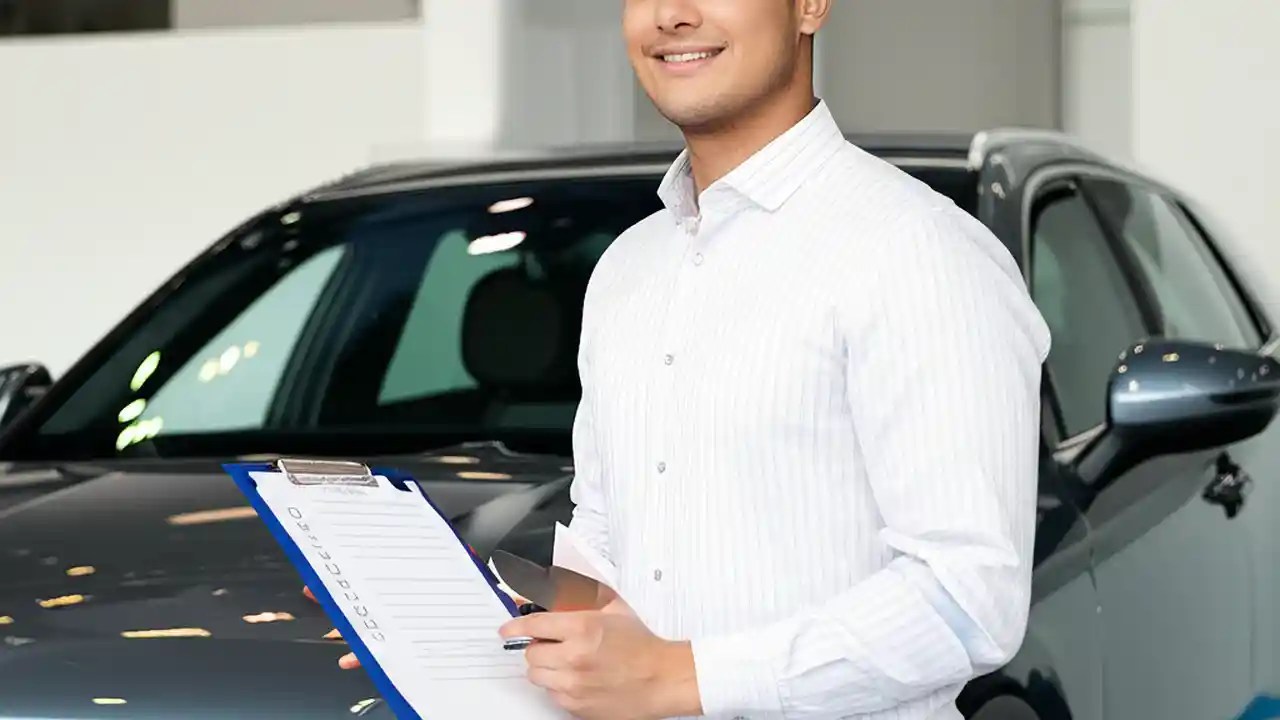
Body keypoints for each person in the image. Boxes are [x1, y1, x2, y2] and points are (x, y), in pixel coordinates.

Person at [349, 0, 1051, 718]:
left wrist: (684, 678)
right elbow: (609, 555)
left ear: (808, 7)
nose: (670, 14)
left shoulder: (919, 251)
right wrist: (442, 615)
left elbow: (968, 596)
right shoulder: (630, 267)